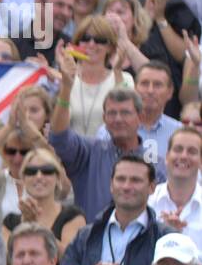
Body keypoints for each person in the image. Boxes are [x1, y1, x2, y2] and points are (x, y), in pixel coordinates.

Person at [51, 45, 164, 213]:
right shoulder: (89, 152)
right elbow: (59, 137)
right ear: (104, 119)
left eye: (125, 113)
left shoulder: (154, 162)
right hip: (92, 237)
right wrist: (67, 87)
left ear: (139, 118)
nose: (118, 119)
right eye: (112, 113)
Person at [2, 146, 88, 257]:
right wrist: (23, 227)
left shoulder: (73, 215)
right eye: (31, 171)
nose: (39, 176)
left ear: (57, 178)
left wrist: (36, 226)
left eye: (47, 171)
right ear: (23, 179)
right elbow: (5, 263)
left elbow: (70, 258)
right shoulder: (10, 222)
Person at [149, 125, 202, 251]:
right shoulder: (148, 201)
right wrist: (163, 233)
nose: (184, 156)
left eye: (192, 151)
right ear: (167, 156)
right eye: (178, 149)